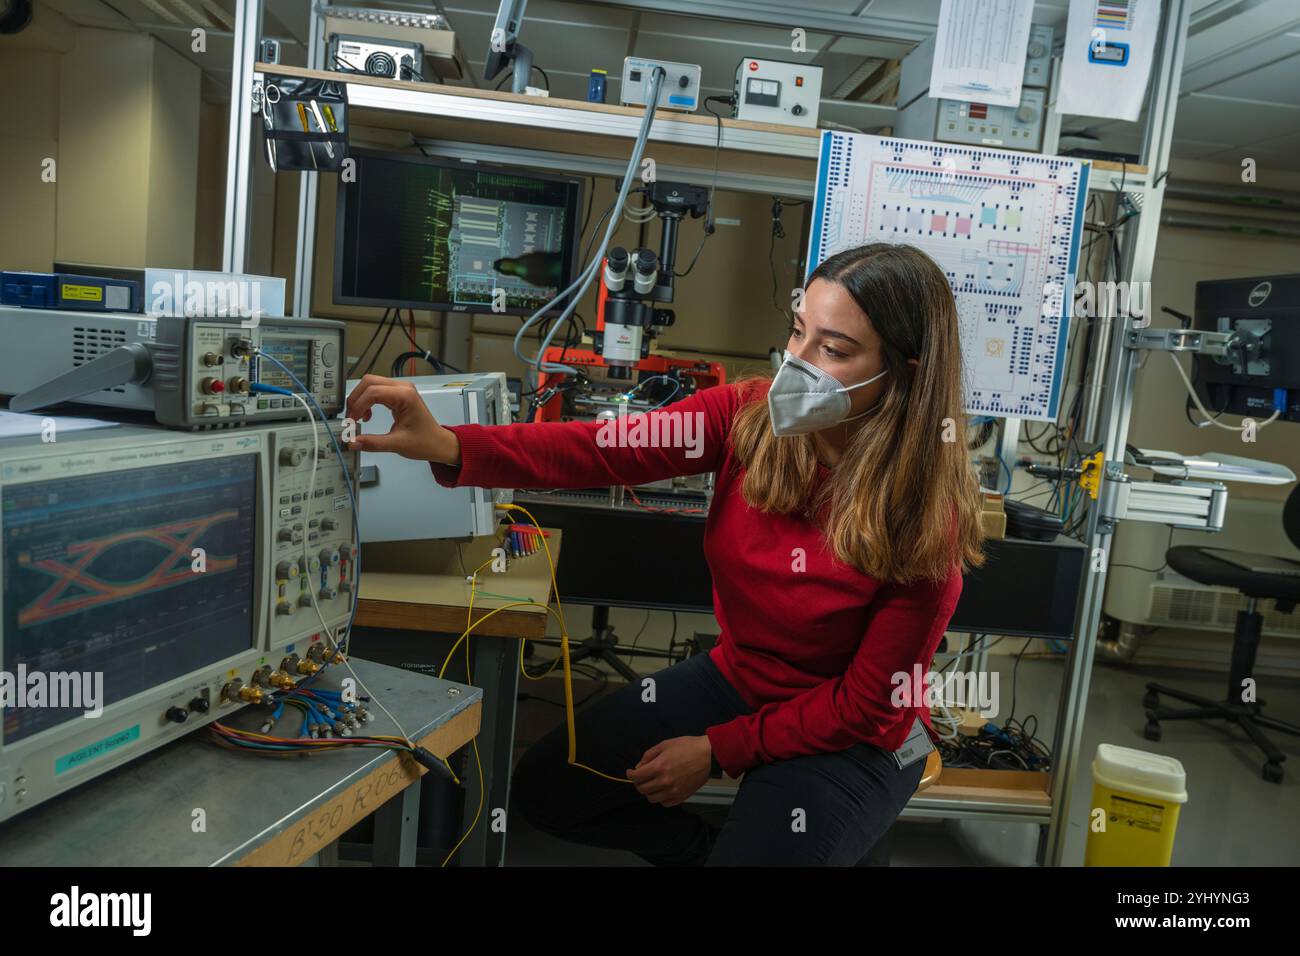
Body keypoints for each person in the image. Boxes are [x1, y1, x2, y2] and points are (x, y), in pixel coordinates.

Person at [345, 242, 986, 866]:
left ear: (905, 372)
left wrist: (717, 750)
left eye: (834, 349)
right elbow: (602, 448)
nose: (800, 362)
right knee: (550, 787)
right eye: (798, 333)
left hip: (855, 733)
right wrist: (451, 444)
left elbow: (865, 706)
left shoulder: (927, 520)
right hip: (741, 679)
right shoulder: (746, 417)